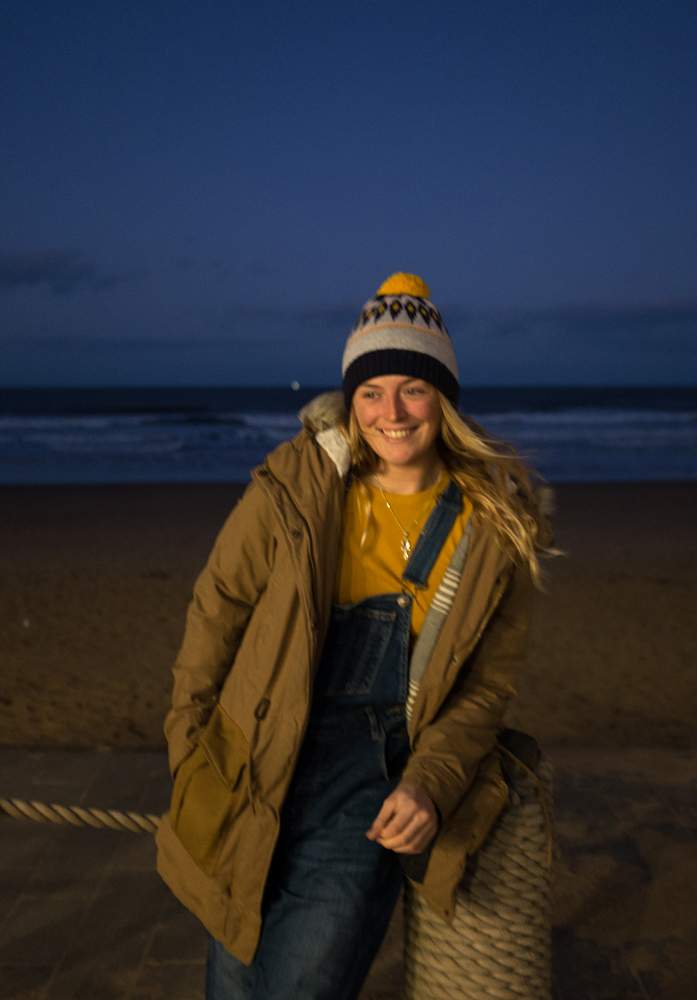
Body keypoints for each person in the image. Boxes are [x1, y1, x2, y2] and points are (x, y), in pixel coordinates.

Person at [155, 272, 555, 999]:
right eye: (370, 391)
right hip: (257, 763)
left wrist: (429, 783)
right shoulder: (296, 485)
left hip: (370, 784)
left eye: (414, 388)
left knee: (306, 984)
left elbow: (487, 687)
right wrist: (188, 743)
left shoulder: (495, 527)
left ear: (444, 398)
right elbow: (219, 605)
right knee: (233, 977)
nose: (390, 412)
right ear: (350, 397)